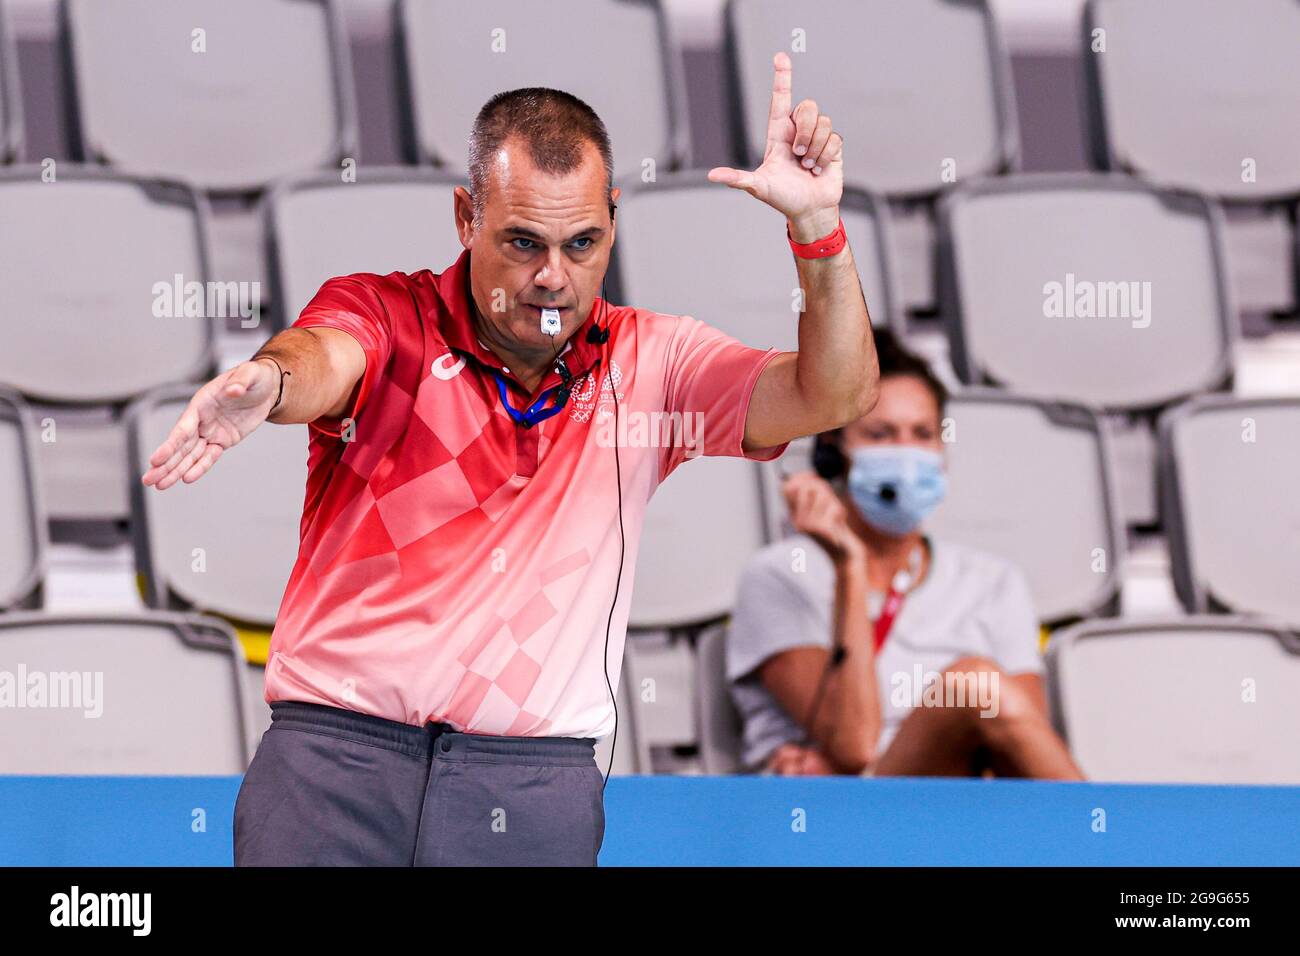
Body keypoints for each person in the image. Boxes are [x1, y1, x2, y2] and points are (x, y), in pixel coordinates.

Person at [140, 54, 880, 865]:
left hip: (533, 788)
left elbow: (833, 397)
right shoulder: (389, 314)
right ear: (466, 215)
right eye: (522, 242)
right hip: (334, 764)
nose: (553, 279)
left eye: (582, 243)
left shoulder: (655, 364)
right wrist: (271, 383)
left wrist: (817, 228)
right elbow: (323, 357)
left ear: (613, 220)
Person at [727, 331, 1084, 780]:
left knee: (977, 688)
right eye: (881, 435)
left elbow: (1024, 752)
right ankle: (1111, 846)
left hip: (965, 815)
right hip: (842, 824)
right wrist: (849, 567)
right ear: (832, 453)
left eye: (922, 434)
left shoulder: (994, 581)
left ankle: (1103, 846)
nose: (906, 453)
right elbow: (854, 745)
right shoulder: (778, 577)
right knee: (973, 685)